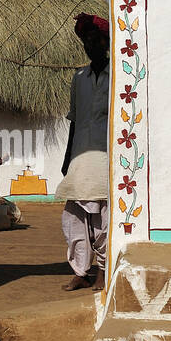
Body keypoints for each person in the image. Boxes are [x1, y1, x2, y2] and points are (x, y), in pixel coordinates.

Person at [58, 14, 110, 291]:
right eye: (86, 41)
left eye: (95, 39)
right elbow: (74, 119)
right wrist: (67, 159)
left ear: (106, 41)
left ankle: (103, 270)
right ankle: (80, 270)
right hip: (79, 158)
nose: (90, 45)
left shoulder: (119, 76)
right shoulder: (79, 78)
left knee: (102, 220)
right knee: (73, 218)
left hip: (105, 160)